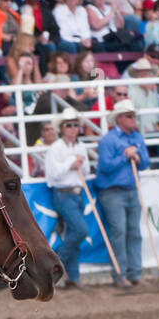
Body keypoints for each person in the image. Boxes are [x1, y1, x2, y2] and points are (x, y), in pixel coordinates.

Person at [96, 99, 151, 288]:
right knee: (119, 232)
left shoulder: (137, 138)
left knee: (134, 232)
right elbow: (104, 166)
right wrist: (125, 156)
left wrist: (137, 156)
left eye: (133, 115)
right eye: (129, 116)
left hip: (131, 189)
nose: (133, 119)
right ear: (119, 119)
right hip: (112, 192)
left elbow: (145, 164)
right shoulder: (107, 140)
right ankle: (120, 275)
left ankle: (134, 273)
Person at [43, 108, 92, 291]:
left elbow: (86, 171)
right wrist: (71, 163)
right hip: (63, 193)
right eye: (69, 125)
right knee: (80, 231)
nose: (73, 128)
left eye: (75, 125)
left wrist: (79, 163)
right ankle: (55, 265)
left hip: (77, 193)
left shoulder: (81, 147)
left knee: (75, 233)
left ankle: (74, 277)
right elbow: (53, 175)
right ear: (62, 128)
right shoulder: (55, 149)